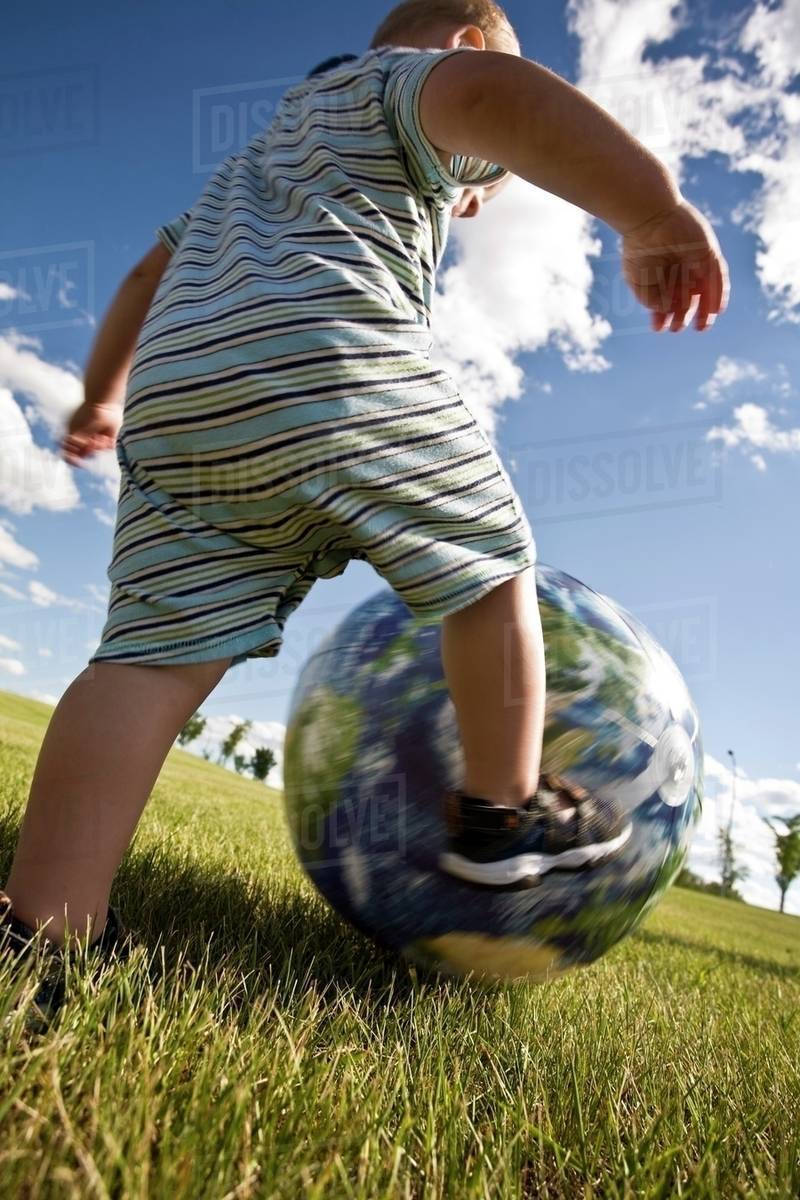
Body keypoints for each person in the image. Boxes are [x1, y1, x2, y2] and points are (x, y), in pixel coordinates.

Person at [1, 0, 729, 983]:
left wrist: (100, 398)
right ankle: (505, 807)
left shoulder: (244, 173)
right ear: (461, 43)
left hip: (181, 410)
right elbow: (496, 99)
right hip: (330, 353)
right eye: (484, 179)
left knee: (148, 661)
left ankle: (43, 929)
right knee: (488, 564)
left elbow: (140, 277)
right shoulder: (404, 85)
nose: (474, 198)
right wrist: (650, 211)